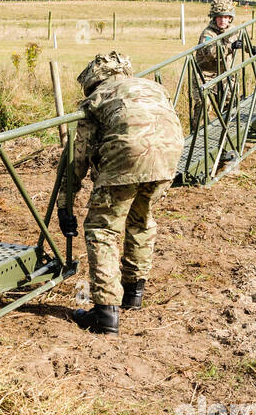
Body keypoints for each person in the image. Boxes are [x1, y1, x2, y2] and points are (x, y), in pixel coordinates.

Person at [61, 51, 184, 335]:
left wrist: (65, 203)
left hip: (126, 158)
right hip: (168, 156)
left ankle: (105, 313)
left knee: (102, 229)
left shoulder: (97, 98)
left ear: (93, 80)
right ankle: (133, 294)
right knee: (141, 220)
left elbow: (77, 157)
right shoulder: (154, 87)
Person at [191, 0, 243, 131]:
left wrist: (249, 47)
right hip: (205, 75)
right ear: (214, 18)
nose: (223, 20)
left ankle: (229, 134)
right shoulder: (207, 33)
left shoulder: (233, 30)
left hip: (225, 75)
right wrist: (231, 46)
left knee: (231, 102)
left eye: (226, 17)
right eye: (219, 17)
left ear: (231, 18)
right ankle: (197, 135)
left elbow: (240, 41)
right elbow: (211, 52)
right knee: (204, 104)